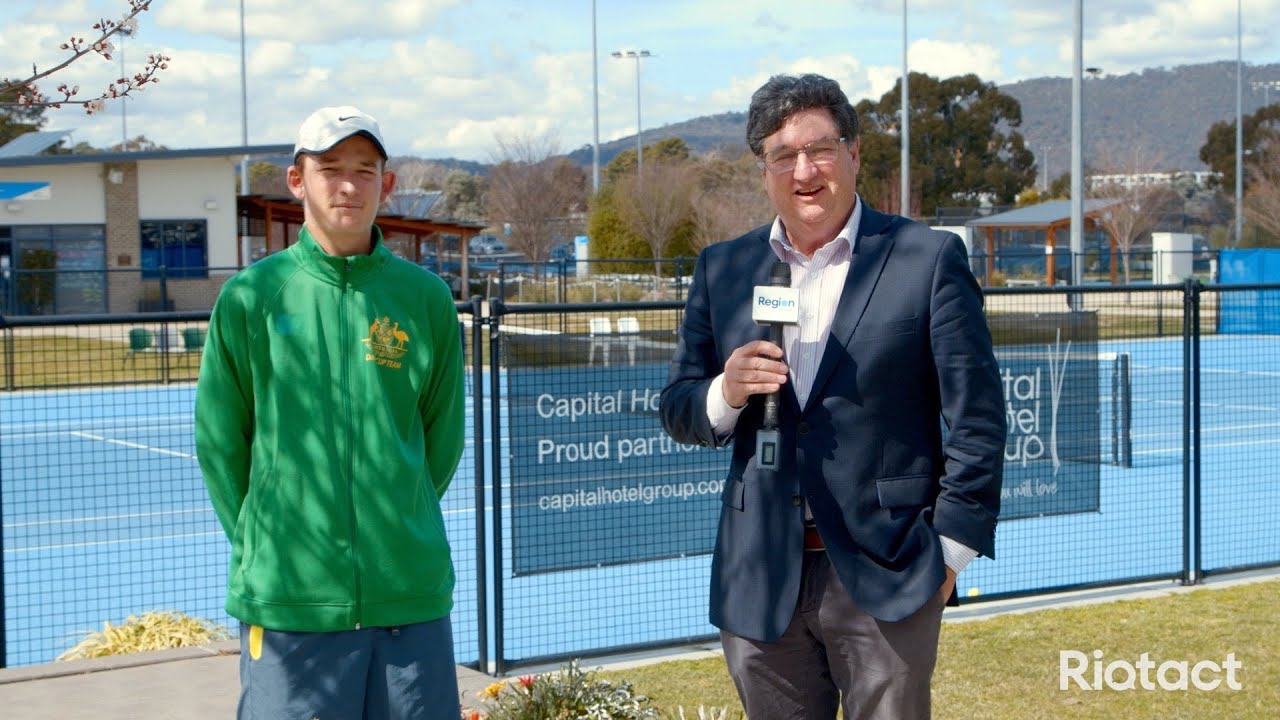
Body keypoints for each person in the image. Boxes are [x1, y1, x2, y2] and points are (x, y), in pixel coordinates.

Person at [659, 74, 1005, 719]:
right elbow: (678, 405)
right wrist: (724, 392)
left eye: (820, 148)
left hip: (889, 570)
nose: (804, 170)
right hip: (759, 575)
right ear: (763, 170)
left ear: (853, 153)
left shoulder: (926, 259)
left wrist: (949, 555)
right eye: (783, 155)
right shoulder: (724, 268)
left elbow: (978, 418)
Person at [195, 106, 466, 719]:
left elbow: (439, 438)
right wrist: (270, 542)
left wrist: (398, 516)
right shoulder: (251, 298)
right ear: (297, 181)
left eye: (365, 171)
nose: (348, 185)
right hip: (291, 602)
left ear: (386, 185)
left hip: (409, 597)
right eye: (330, 169)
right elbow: (220, 442)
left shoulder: (424, 298)